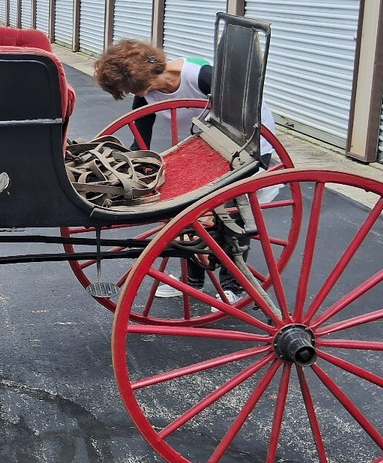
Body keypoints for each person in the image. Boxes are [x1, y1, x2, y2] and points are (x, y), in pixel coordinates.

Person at [93, 38, 277, 302]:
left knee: (231, 213)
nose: (139, 95)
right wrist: (136, 169)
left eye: (138, 89)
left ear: (147, 74)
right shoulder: (146, 91)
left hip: (248, 142)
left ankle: (234, 286)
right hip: (207, 146)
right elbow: (140, 134)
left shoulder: (201, 77)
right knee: (187, 208)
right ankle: (193, 281)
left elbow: (244, 114)